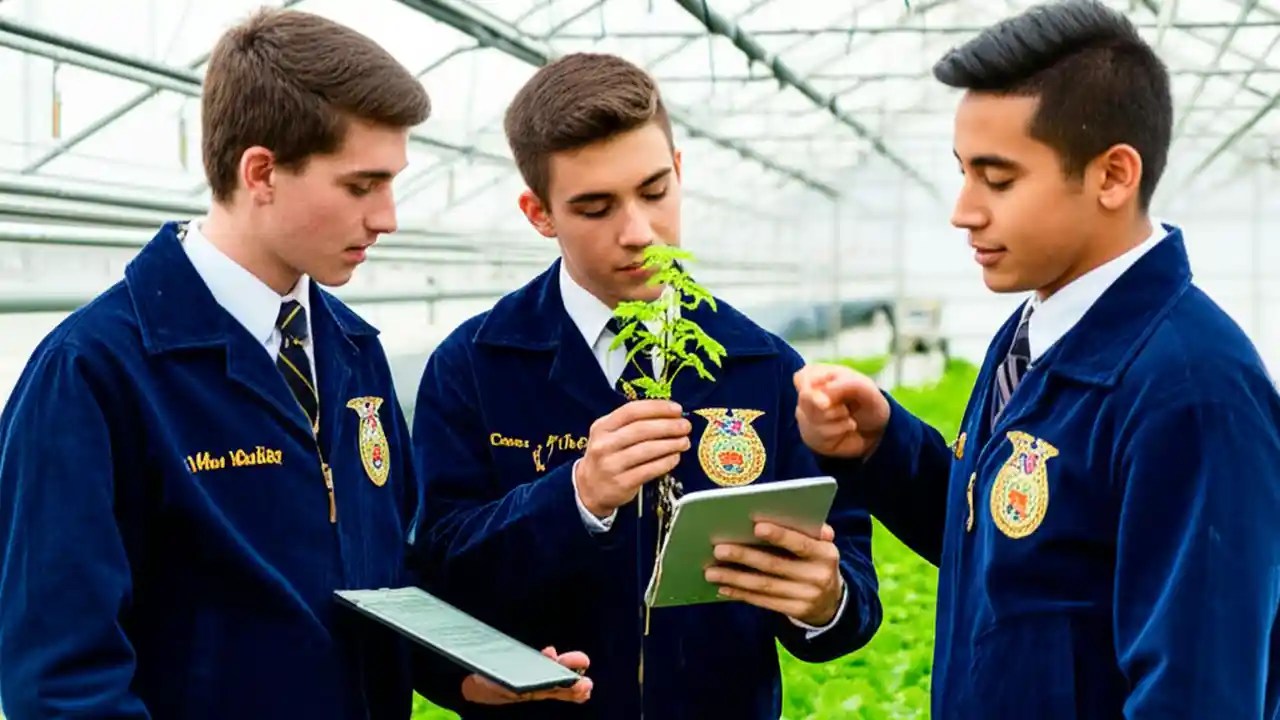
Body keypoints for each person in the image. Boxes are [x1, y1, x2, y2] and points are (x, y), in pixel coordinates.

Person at [0, 9, 589, 719]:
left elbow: (378, 581)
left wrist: (460, 672)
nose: (389, 218)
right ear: (261, 172)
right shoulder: (95, 374)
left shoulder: (353, 353)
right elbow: (63, 685)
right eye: (361, 185)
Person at [793, 1, 1280, 718]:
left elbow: (1200, 692)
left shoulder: (1191, 391)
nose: (963, 209)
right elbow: (1015, 542)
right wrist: (885, 445)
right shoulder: (1034, 331)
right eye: (963, 173)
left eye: (998, 179)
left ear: (1113, 176)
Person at [408, 52, 882, 720]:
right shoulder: (474, 367)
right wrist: (574, 497)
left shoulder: (764, 367)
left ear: (680, 171)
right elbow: (436, 572)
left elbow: (851, 582)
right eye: (594, 207)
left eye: (655, 191)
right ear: (539, 214)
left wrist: (825, 600)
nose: (638, 232)